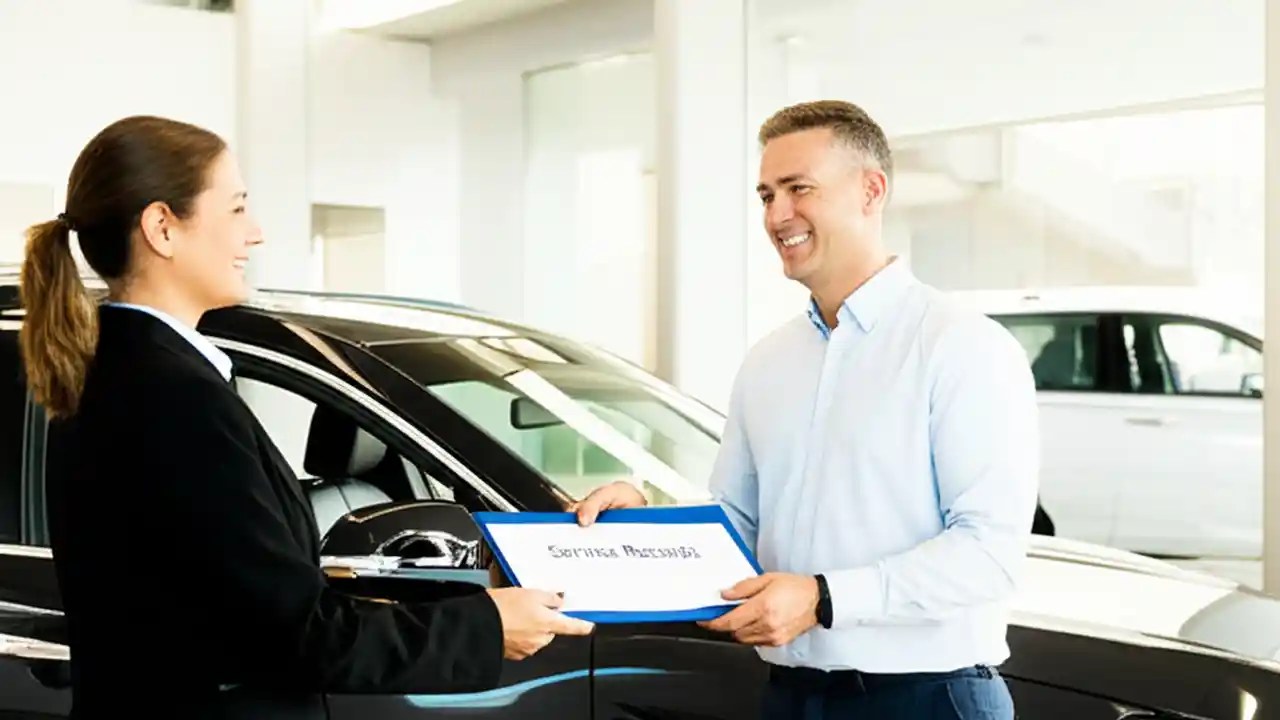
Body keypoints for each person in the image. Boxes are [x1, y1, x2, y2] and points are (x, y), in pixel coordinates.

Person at [21, 115, 592, 718]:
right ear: (163, 228)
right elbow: (290, 634)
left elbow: (235, 601)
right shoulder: (171, 396)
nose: (256, 234)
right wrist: (482, 628)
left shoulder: (117, 372)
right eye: (237, 208)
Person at [574, 100, 1039, 719]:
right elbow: (736, 525)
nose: (777, 215)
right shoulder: (769, 360)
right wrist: (641, 534)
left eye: (799, 189)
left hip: (928, 698)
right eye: (767, 195)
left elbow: (989, 553)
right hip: (791, 695)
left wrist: (823, 599)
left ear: (871, 191)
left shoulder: (961, 345)